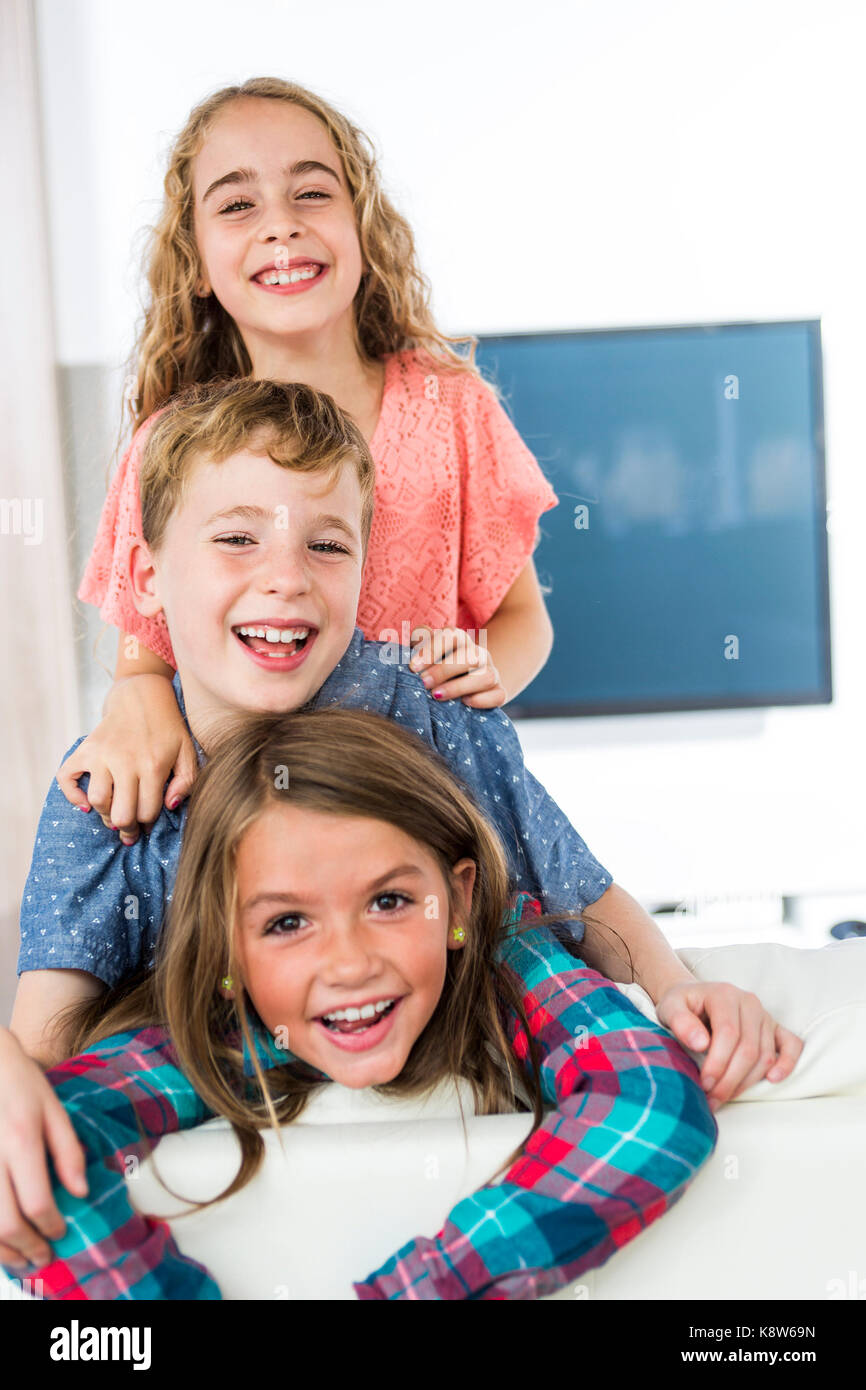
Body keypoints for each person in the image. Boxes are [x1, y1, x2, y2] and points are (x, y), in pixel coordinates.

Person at [1, 377, 799, 1275]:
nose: (286, 577)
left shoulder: (426, 699)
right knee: (25, 1152)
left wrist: (674, 986)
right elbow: (45, 1054)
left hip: (477, 971)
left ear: (363, 564)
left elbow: (575, 890)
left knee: (654, 1090)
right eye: (235, 539)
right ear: (147, 576)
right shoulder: (109, 788)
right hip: (228, 1015)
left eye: (327, 545)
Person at [3, 706, 718, 1300]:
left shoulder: (506, 956)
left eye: (389, 901)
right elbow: (41, 1140)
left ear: (460, 901)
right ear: (227, 948)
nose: (347, 963)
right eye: (287, 923)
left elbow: (650, 1097)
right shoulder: (236, 1031)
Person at [73, 75, 560, 849]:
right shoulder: (167, 440)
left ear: (362, 226)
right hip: (242, 830)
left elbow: (523, 619)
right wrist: (134, 699)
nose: (281, 229)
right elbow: (144, 656)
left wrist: (483, 670)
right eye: (237, 205)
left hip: (425, 814)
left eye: (312, 194)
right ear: (196, 263)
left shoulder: (453, 407)